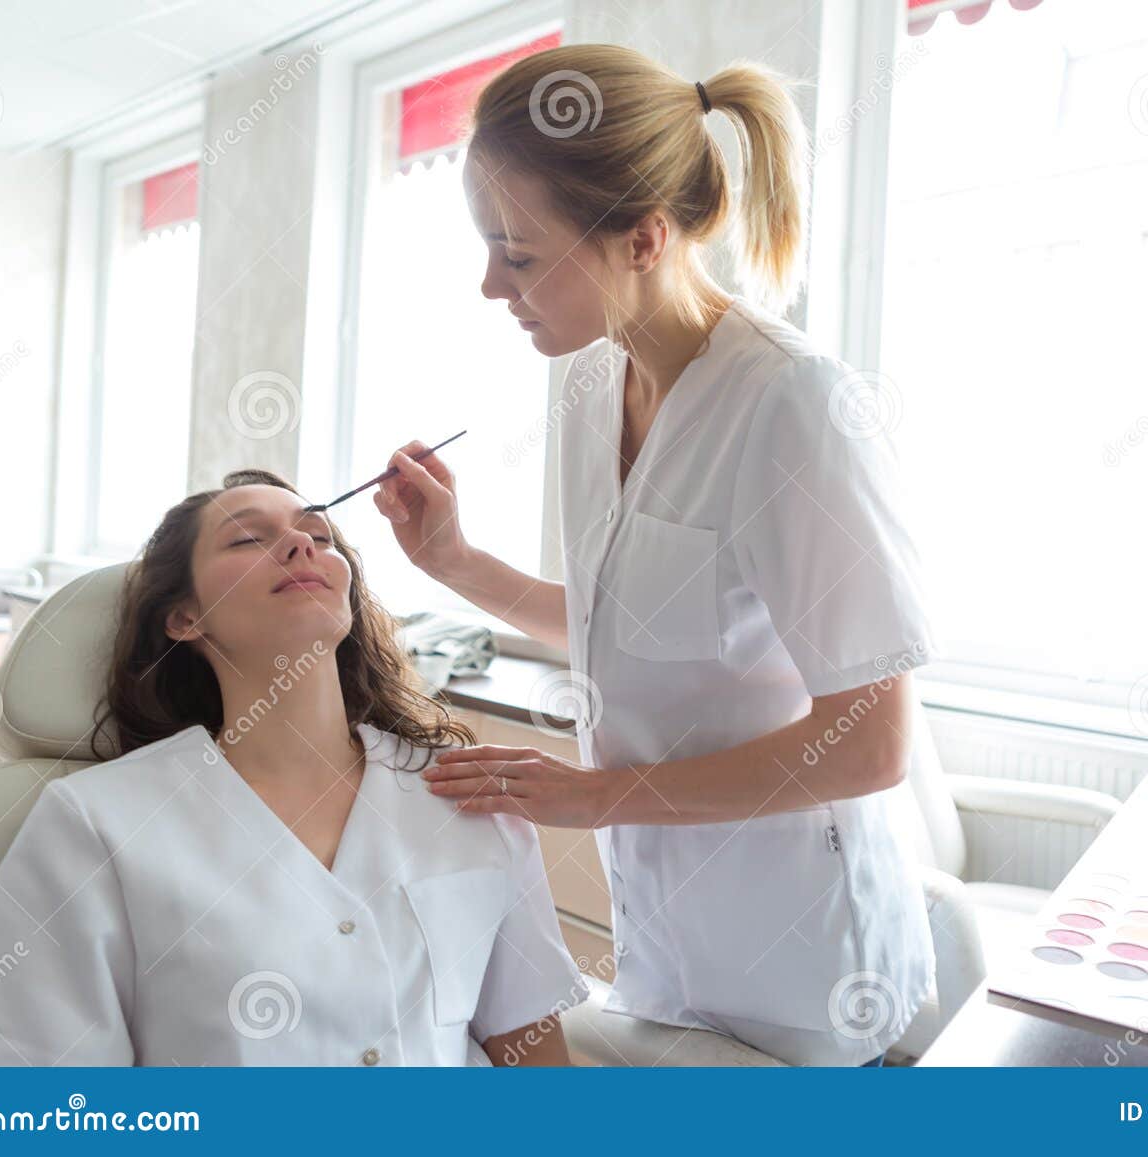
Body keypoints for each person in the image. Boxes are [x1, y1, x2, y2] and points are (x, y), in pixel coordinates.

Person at [372, 44, 938, 1066]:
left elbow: (870, 740)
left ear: (641, 239)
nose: (490, 283)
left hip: (805, 962)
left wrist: (598, 798)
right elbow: (621, 625)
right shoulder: (597, 391)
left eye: (519, 251)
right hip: (671, 947)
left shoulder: (793, 404)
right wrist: (453, 560)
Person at [0, 472, 581, 1067]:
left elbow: (536, 1064)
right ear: (184, 617)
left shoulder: (464, 796)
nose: (301, 546)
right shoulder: (98, 821)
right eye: (246, 540)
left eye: (318, 533)